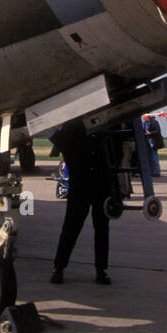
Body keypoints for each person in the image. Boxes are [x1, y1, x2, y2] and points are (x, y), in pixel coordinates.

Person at [50, 119, 112, 284]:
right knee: (71, 227)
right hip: (81, 184)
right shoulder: (75, 124)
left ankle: (101, 269)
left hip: (99, 184)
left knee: (101, 228)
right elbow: (58, 140)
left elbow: (115, 151)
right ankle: (59, 267)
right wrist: (74, 163)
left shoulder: (103, 125)